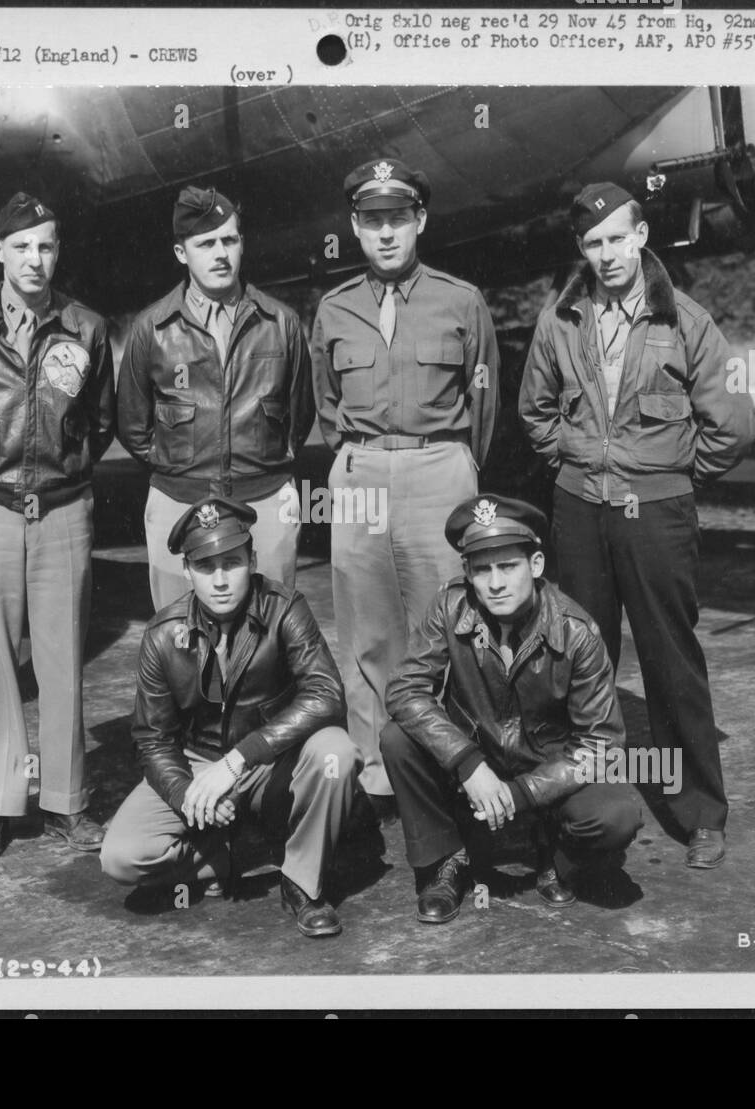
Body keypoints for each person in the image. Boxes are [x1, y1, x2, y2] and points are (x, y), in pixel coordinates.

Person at [518, 182, 755, 869]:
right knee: (568, 658)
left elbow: (733, 426)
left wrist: (672, 475)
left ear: (642, 236)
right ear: (582, 250)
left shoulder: (685, 320)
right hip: (578, 510)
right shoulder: (560, 319)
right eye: (593, 243)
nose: (607, 253)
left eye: (617, 238)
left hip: (655, 512)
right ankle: (577, 805)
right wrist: (572, 461)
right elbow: (535, 412)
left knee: (669, 658)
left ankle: (700, 813)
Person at [310, 158, 499, 819]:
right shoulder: (333, 309)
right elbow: (326, 404)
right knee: (367, 635)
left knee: (448, 627)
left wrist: (453, 469)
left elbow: (484, 401)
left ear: (420, 220)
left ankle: (454, 770)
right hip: (361, 471)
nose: (386, 233)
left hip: (438, 469)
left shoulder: (461, 300)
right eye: (372, 221)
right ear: (355, 227)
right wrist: (359, 463)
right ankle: (376, 778)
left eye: (398, 219)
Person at [0, 192, 116, 861]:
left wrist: (60, 476)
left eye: (47, 245)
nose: (35, 260)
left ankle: (68, 801)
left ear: (57, 251)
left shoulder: (87, 328)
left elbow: (99, 423)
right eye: (23, 247)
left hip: (64, 511)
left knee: (64, 656)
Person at [100, 497, 361, 937]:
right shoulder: (164, 635)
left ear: (252, 560)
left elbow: (326, 694)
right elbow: (153, 739)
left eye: (232, 563)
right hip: (199, 765)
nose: (220, 580)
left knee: (337, 753)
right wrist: (189, 796)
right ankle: (228, 854)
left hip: (271, 759)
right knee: (122, 858)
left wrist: (238, 761)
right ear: (186, 571)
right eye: (205, 567)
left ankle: (302, 883)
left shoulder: (284, 608)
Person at [382, 495, 643, 923]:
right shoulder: (450, 608)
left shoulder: (577, 632)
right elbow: (405, 690)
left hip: (547, 769)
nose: (495, 583)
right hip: (475, 761)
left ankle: (555, 855)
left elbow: (602, 744)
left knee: (616, 814)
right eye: (482, 570)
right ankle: (445, 863)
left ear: (536, 565)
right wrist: (466, 762)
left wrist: (521, 794)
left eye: (508, 567)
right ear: (467, 573)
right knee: (397, 738)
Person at [116, 186, 314, 610]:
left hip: (264, 502)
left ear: (242, 244)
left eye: (230, 240)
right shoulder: (152, 327)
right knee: (179, 636)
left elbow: (300, 416)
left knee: (270, 634)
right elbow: (133, 426)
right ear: (181, 252)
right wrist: (180, 471)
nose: (220, 253)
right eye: (206, 243)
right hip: (178, 503)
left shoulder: (281, 323)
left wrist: (262, 470)